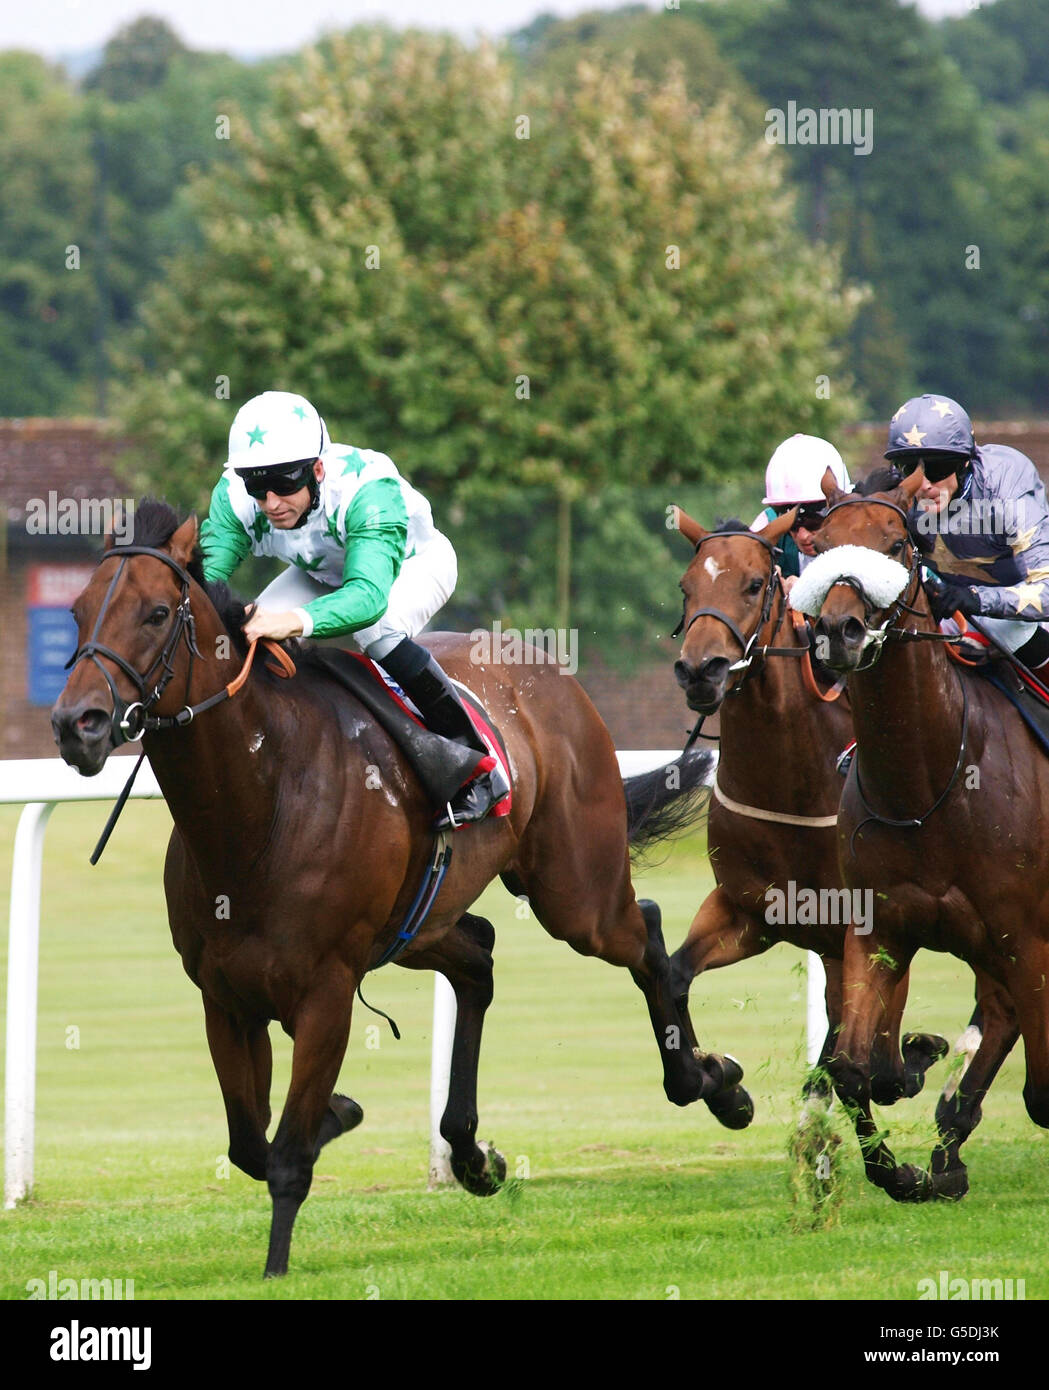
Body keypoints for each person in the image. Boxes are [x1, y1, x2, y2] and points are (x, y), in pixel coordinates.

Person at [199, 390, 510, 826]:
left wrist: (289, 622)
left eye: (285, 485)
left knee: (377, 632)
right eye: (257, 487)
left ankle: (477, 766)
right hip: (322, 572)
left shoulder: (369, 490)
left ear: (317, 470)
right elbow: (204, 582)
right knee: (253, 644)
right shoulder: (235, 496)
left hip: (411, 566)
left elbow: (367, 597)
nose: (271, 503)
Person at [883, 393, 1049, 674]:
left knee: (1008, 630)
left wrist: (976, 598)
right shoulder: (897, 494)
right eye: (910, 470)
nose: (923, 485)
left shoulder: (1005, 482)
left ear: (964, 463)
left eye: (936, 468)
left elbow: (1046, 594)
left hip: (1025, 618)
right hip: (953, 611)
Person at [751, 434, 852, 587]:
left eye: (813, 521)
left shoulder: (862, 532)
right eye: (792, 523)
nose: (803, 536)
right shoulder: (767, 523)